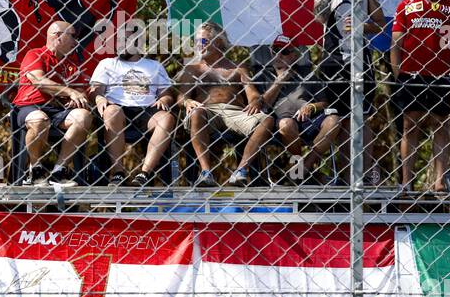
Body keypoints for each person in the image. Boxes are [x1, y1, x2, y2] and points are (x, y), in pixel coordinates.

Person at [390, 0, 450, 191]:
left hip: (439, 76)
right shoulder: (406, 5)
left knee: (440, 125)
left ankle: (439, 181)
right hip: (411, 75)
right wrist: (398, 75)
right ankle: (406, 182)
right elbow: (395, 44)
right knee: (409, 125)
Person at [312, 0, 385, 182]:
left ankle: (365, 175)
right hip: (332, 61)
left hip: (360, 60)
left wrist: (361, 27)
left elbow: (381, 23)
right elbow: (320, 18)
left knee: (361, 118)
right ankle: (345, 178)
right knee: (338, 120)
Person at [178, 21, 276, 186]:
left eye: (203, 41)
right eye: (196, 42)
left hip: (235, 112)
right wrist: (187, 101)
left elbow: (252, 93)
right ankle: (206, 172)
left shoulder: (237, 68)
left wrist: (255, 101)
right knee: (196, 112)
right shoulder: (192, 69)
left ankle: (241, 171)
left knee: (267, 119)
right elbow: (181, 97)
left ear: (217, 42)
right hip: (206, 111)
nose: (198, 46)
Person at [90, 21, 177, 186]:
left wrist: (164, 99)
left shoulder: (154, 66)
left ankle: (144, 173)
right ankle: (118, 172)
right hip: (118, 109)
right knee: (111, 112)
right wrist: (99, 98)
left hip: (147, 110)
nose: (119, 45)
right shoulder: (107, 63)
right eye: (119, 41)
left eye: (125, 41)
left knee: (167, 118)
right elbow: (96, 90)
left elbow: (167, 94)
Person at [12, 21, 93, 185]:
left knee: (83, 116)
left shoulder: (71, 63)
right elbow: (39, 81)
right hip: (30, 107)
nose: (76, 41)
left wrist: (79, 96)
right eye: (73, 36)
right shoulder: (35, 54)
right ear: (58, 36)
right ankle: (36, 170)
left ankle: (59, 170)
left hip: (58, 111)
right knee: (40, 119)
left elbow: (83, 89)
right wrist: (70, 92)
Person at [254, 35, 342, 183]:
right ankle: (303, 171)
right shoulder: (263, 76)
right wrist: (279, 82)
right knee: (286, 124)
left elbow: (325, 103)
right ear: (270, 51)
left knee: (334, 121)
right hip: (279, 123)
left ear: (294, 55)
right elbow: (261, 105)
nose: (279, 55)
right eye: (275, 50)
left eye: (285, 51)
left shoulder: (308, 74)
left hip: (310, 120)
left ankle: (303, 167)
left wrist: (312, 106)